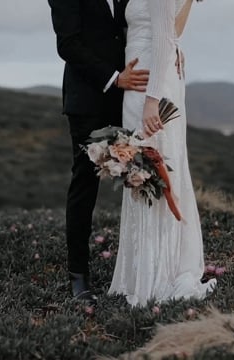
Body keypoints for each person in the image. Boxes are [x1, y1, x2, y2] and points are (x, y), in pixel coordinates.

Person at [108, 0, 216, 307]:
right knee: (147, 173)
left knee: (153, 173)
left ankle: (156, 274)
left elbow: (166, 39)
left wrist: (152, 100)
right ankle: (144, 271)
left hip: (149, 88)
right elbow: (172, 31)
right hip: (148, 79)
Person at [47, 0, 150, 303]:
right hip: (89, 100)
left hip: (128, 99)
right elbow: (67, 44)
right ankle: (78, 276)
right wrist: (114, 78)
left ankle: (143, 267)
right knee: (85, 184)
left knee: (141, 176)